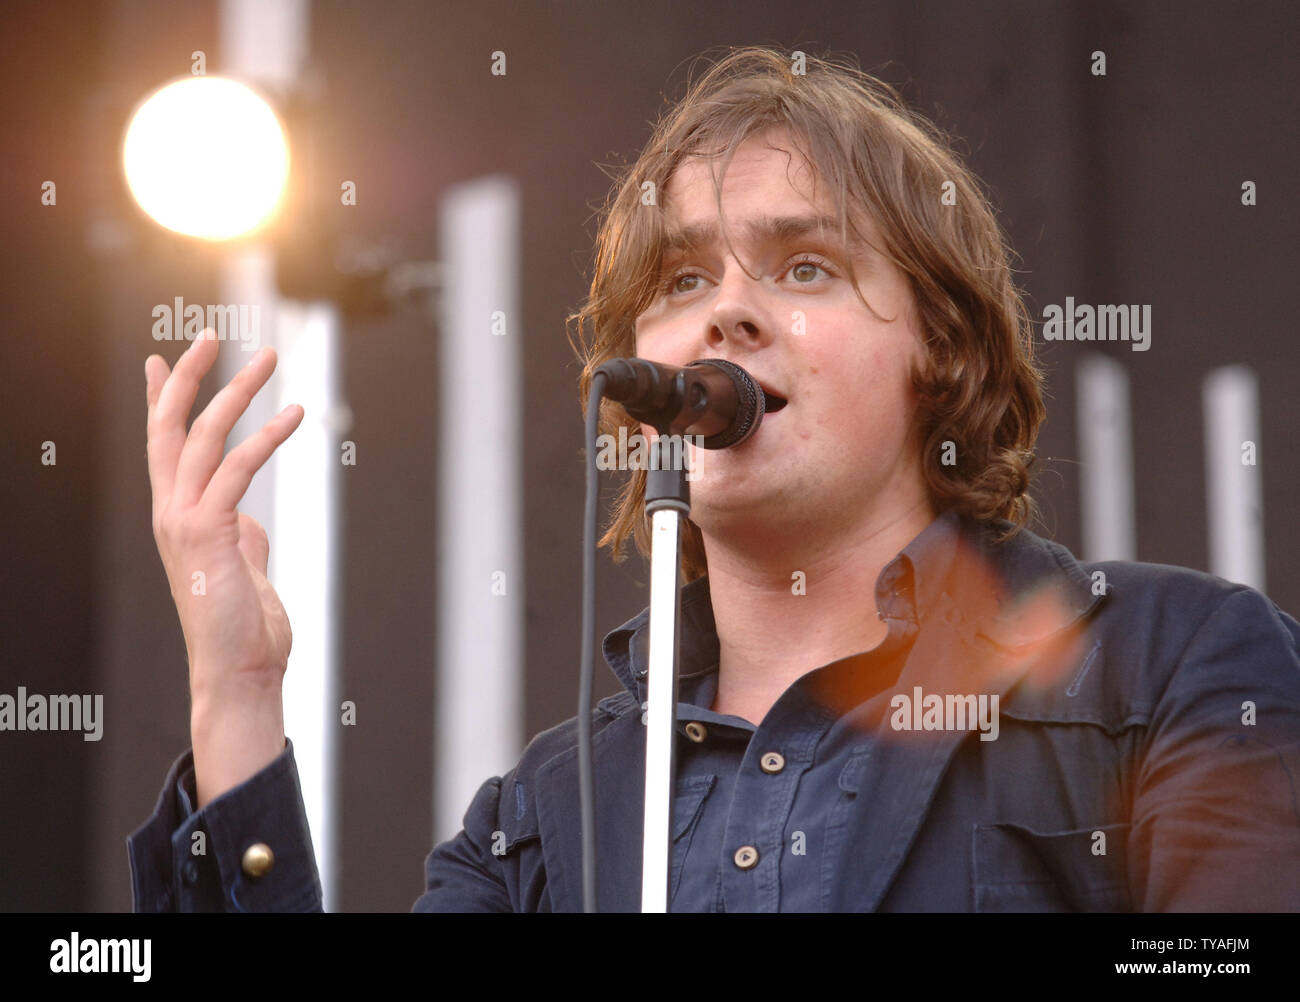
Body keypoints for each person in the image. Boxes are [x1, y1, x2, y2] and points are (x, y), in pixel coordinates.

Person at [128, 45, 1300, 912]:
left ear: (939, 347)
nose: (728, 310)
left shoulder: (1177, 666)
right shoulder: (544, 814)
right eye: (683, 281)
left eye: (804, 264)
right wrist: (236, 693)